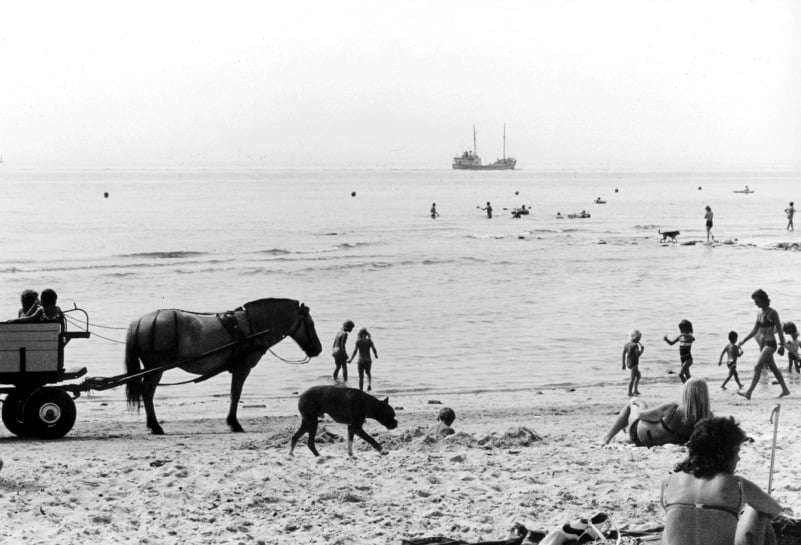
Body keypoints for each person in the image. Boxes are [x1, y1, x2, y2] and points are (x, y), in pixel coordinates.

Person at [660, 416, 782, 545]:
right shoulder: (737, 485)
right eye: (737, 452)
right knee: (759, 511)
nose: (738, 458)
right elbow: (774, 510)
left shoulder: (668, 482)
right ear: (726, 454)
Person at [601, 377, 712, 447]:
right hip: (660, 441)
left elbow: (642, 415)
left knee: (634, 401)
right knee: (624, 438)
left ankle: (608, 436)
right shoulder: (708, 417)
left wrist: (641, 406)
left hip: (643, 435)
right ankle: (621, 436)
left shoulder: (673, 408)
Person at [737, 289, 790, 399]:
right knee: (773, 368)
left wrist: (782, 346)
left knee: (757, 366)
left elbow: (779, 330)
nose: (756, 303)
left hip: (770, 344)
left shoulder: (773, 313)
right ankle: (785, 390)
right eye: (755, 301)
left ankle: (749, 392)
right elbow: (755, 330)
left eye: (757, 301)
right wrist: (743, 341)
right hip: (762, 344)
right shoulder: (759, 313)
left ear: (764, 300)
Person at [348, 327, 378, 391]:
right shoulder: (369, 341)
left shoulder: (358, 341)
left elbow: (355, 351)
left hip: (361, 360)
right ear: (366, 334)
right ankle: (369, 384)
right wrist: (375, 355)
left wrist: (351, 359)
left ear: (360, 334)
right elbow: (374, 349)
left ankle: (361, 390)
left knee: (361, 377)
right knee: (368, 373)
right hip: (368, 360)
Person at [622, 329, 644, 397]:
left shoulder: (626, 345)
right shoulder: (635, 345)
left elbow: (623, 354)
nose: (639, 340)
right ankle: (629, 392)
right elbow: (638, 355)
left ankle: (635, 390)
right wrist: (642, 350)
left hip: (629, 363)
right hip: (634, 364)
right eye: (639, 338)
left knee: (638, 375)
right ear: (636, 338)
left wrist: (623, 364)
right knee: (632, 378)